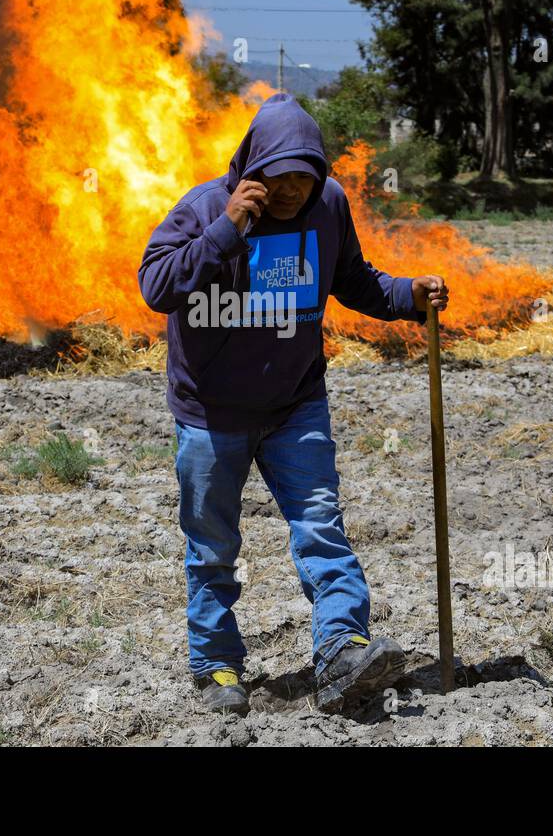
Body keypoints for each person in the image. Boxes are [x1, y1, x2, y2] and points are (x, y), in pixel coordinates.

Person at [138, 93, 448, 715]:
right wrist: (227, 230)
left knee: (321, 529)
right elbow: (156, 286)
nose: (290, 192)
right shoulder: (204, 208)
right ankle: (218, 667)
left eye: (303, 179)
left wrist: (410, 294)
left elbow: (354, 280)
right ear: (252, 166)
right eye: (278, 178)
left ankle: (342, 649)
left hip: (295, 403)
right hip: (211, 412)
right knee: (214, 546)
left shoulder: (329, 206)